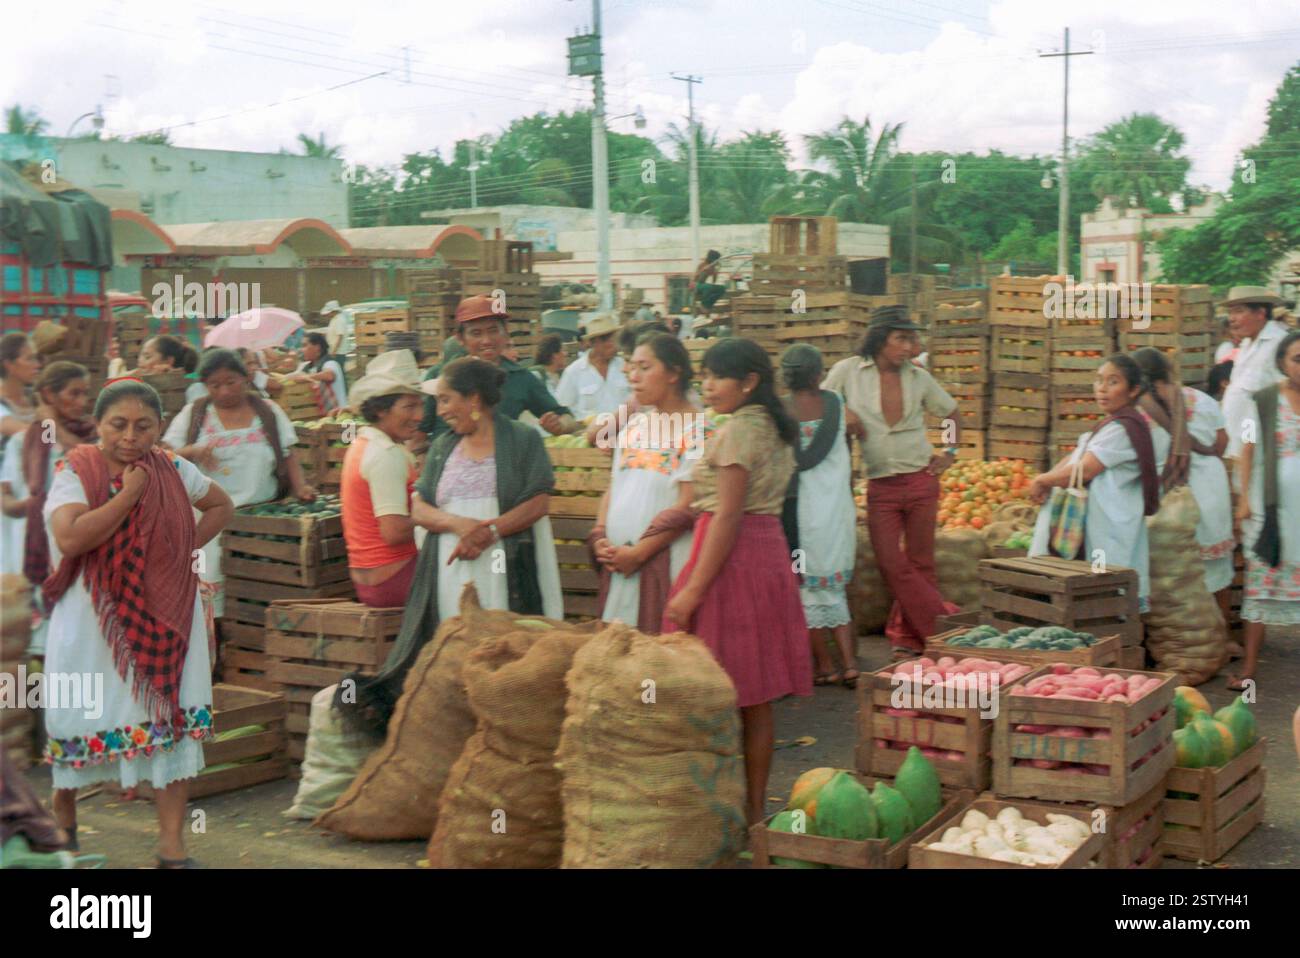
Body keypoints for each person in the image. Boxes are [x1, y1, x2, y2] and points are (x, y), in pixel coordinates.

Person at [42, 379, 233, 866]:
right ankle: (63, 817)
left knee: (172, 719)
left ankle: (171, 846)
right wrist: (129, 495)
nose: (130, 435)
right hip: (92, 619)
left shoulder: (172, 467)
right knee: (79, 719)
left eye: (143, 425)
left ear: (159, 427)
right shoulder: (75, 469)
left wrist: (177, 553)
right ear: (99, 426)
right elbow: (70, 540)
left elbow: (221, 505)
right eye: (118, 424)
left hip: (166, 614)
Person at [339, 357, 562, 732]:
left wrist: (489, 533)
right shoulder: (443, 447)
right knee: (459, 637)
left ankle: (513, 725)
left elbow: (538, 501)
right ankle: (465, 725)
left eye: (445, 400)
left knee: (508, 637)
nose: (438, 411)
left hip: (503, 560)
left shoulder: (522, 440)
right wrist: (458, 524)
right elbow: (421, 506)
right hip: (455, 562)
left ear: (473, 399)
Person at [662, 338, 810, 824]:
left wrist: (692, 592)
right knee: (756, 698)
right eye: (702, 376)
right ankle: (752, 816)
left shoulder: (737, 434)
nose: (706, 386)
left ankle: (710, 813)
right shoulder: (775, 426)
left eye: (716, 377)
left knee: (711, 690)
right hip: (766, 555)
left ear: (748, 382)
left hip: (730, 562)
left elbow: (726, 517)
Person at [822, 306, 961, 657]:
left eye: (912, 339)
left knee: (921, 562)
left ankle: (909, 639)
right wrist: (844, 410)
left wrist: (950, 452)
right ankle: (942, 629)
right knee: (890, 563)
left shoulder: (918, 377)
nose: (909, 347)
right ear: (880, 338)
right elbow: (820, 403)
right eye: (901, 338)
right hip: (881, 485)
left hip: (921, 480)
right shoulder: (848, 372)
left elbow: (951, 413)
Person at [163, 350, 316, 618]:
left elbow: (289, 453)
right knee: (212, 593)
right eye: (215, 385)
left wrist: (301, 486)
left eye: (231, 381)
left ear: (245, 378)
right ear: (205, 386)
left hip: (262, 518)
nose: (224, 391)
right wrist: (194, 451)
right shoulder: (195, 413)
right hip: (211, 521)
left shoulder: (268, 411)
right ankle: (217, 645)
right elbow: (165, 454)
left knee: (257, 591)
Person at [1027, 355, 1169, 610]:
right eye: (1099, 380)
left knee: (1099, 594)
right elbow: (1078, 456)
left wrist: (1042, 479)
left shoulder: (1123, 428)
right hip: (1103, 522)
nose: (1102, 388)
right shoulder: (1115, 423)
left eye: (1112, 382)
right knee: (1094, 594)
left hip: (1106, 525)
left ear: (1133, 390)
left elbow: (1086, 470)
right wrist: (1049, 479)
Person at [592, 333, 713, 631]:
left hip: (665, 562)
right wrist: (600, 536)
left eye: (644, 368)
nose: (634, 377)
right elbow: (615, 487)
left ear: (674, 373)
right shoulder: (634, 425)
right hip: (621, 563)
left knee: (657, 652)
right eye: (631, 368)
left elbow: (688, 504)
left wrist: (640, 552)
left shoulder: (698, 429)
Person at [0, 362, 95, 654]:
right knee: (35, 646)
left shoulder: (95, 436)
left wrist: (51, 423)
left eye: (85, 394)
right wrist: (31, 506)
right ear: (49, 395)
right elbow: (4, 497)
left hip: (77, 551)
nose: (81, 402)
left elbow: (85, 459)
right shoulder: (25, 441)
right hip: (32, 551)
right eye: (73, 393)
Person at [1132, 347, 1234, 612]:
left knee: (1170, 573)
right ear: (1168, 371)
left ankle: (1178, 641)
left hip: (1168, 500)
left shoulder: (1137, 412)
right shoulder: (1201, 399)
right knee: (1216, 573)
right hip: (1210, 489)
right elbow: (1222, 443)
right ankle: (1219, 638)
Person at [781, 344, 858, 687]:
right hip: (834, 515)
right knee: (834, 588)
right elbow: (857, 429)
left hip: (797, 518)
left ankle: (824, 666)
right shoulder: (836, 405)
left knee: (803, 590)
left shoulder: (781, 412)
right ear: (817, 374)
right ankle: (851, 664)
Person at [1231, 330, 1300, 689]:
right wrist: (1243, 499)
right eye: (1297, 359)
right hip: (1271, 511)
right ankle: (1249, 667)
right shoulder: (1263, 400)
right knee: (1259, 585)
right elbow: (1247, 447)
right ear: (1282, 364)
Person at [419, 295, 575, 440]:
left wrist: (559, 426)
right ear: (460, 338)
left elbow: (567, 418)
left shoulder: (520, 378)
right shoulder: (440, 377)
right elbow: (419, 431)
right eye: (476, 333)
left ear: (505, 333)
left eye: (493, 331)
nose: (486, 340)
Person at [340, 351, 423, 607]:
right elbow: (394, 532)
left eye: (420, 404)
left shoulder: (364, 444)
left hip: (374, 577)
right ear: (380, 411)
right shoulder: (385, 455)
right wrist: (439, 518)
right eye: (409, 406)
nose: (419, 416)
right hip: (394, 578)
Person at [1220, 287, 1288, 465]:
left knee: (1253, 489)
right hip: (1239, 442)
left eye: (1239, 311)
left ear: (1260, 313)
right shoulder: (1246, 345)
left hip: (1259, 442)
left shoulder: (1279, 343)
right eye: (1230, 312)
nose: (1232, 319)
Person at [0, 333, 39, 574]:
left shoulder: (33, 400)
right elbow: (21, 432)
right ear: (9, 364)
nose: (37, 364)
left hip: (30, 490)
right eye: (30, 358)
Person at [556, 313, 631, 420]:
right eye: (606, 340)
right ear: (593, 342)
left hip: (627, 433)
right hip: (590, 434)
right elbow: (563, 410)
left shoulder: (625, 366)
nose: (613, 344)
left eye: (614, 339)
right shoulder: (573, 372)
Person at [293, 332, 347, 411]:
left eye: (305, 345)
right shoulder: (307, 366)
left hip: (337, 413)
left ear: (317, 347)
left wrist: (306, 377)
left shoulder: (330, 363)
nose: (301, 350)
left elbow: (329, 375)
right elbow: (294, 375)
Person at [691, 249, 726, 315]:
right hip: (695, 285)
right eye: (717, 259)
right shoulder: (702, 264)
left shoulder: (712, 267)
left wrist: (716, 271)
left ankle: (708, 305)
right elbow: (696, 278)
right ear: (713, 259)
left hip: (703, 285)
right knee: (708, 287)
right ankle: (703, 305)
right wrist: (703, 270)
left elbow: (714, 282)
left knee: (722, 289)